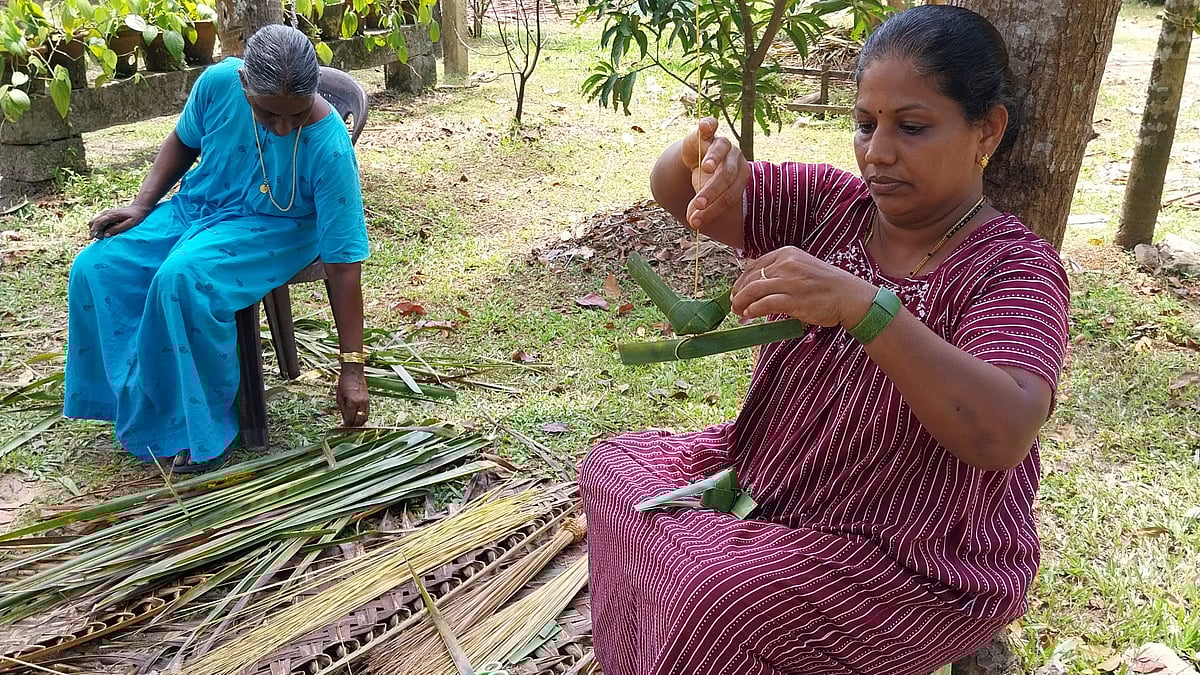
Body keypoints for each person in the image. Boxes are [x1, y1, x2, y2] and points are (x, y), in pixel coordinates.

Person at [579, 5, 1071, 674]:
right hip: (778, 481)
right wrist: (699, 156)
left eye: (912, 127)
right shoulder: (831, 206)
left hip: (909, 551)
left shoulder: (1011, 267)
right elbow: (675, 191)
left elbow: (1002, 433)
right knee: (613, 471)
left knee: (715, 602)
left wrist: (865, 308)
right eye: (866, 124)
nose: (878, 152)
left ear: (987, 129)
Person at [64, 24, 370, 473]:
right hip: (201, 203)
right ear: (244, 83)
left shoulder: (329, 145)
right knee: (97, 265)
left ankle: (197, 429)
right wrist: (142, 204)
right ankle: (137, 401)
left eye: (297, 114)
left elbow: (344, 265)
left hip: (277, 226)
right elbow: (184, 140)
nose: (283, 128)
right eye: (269, 114)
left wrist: (352, 369)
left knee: (183, 278)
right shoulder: (218, 83)